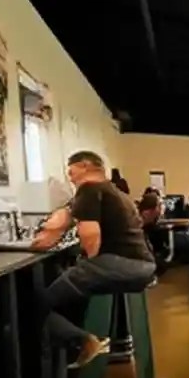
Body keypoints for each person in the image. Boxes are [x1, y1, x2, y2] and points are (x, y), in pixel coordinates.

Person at [31, 151, 156, 366]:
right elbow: (60, 223)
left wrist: (89, 262)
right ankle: (80, 341)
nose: (69, 178)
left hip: (116, 263)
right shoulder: (115, 192)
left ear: (85, 166)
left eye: (71, 171)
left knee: (36, 306)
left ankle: (83, 341)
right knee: (64, 296)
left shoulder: (89, 189)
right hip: (142, 266)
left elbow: (91, 235)